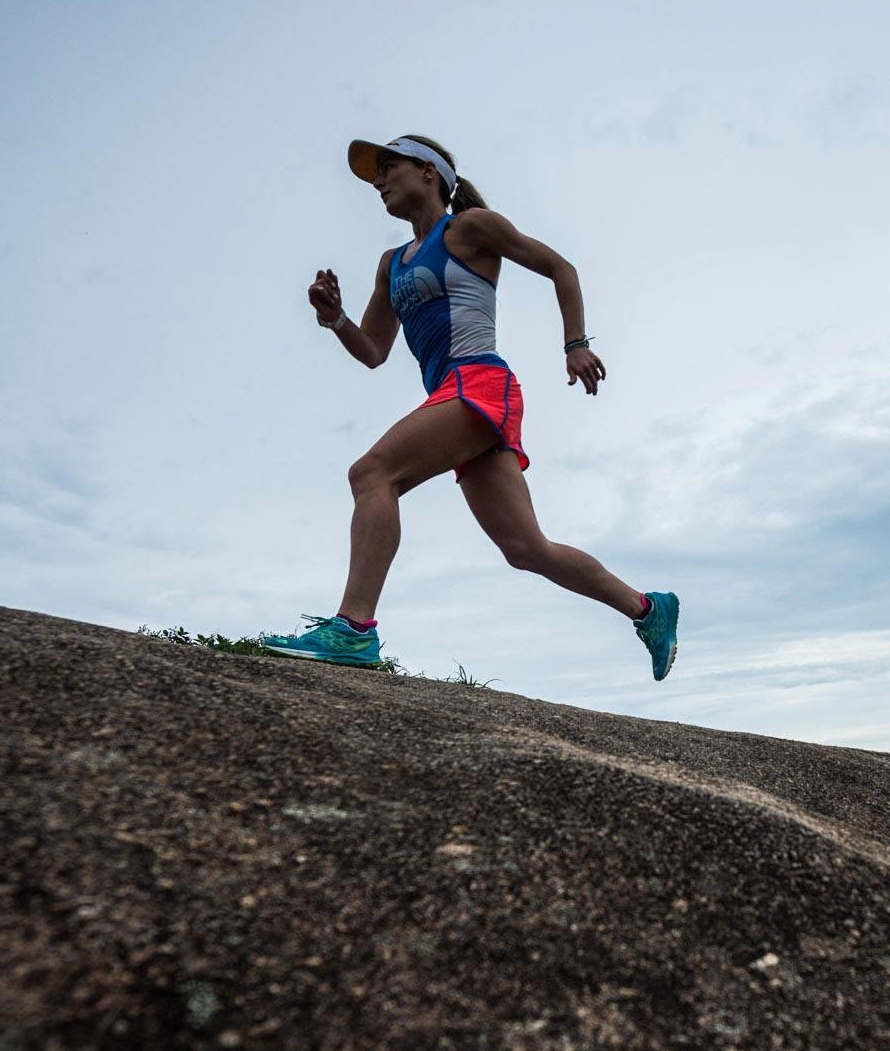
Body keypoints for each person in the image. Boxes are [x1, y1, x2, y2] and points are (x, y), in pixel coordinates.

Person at [260, 133, 680, 680]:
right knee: (527, 549)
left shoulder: (470, 228)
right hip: (451, 396)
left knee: (372, 473)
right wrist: (334, 320)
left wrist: (576, 344)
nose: (378, 180)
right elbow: (373, 352)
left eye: (389, 167)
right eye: (375, 174)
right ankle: (649, 609)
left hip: (481, 384)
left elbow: (562, 269)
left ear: (429, 172)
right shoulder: (392, 263)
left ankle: (354, 630)